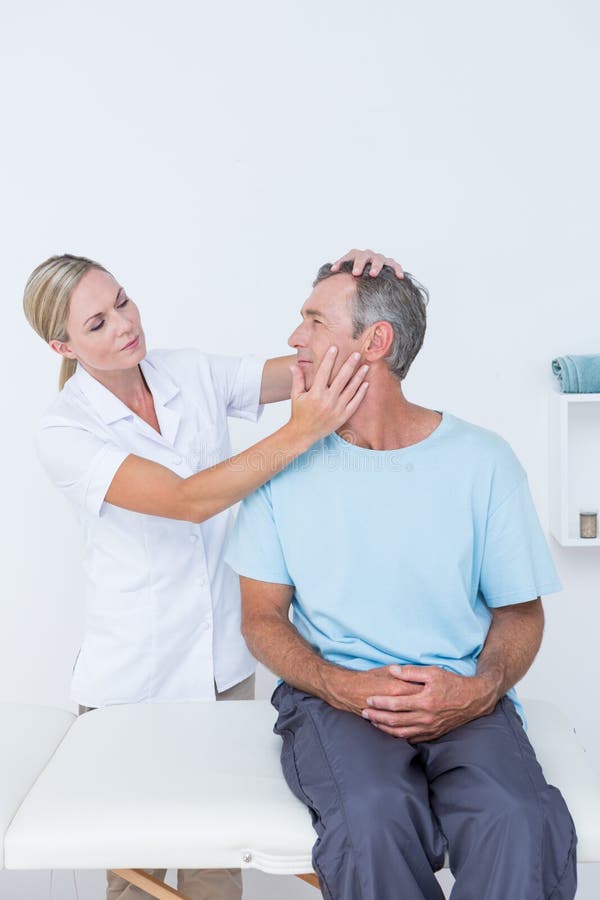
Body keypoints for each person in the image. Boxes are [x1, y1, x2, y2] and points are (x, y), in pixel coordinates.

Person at [23, 247, 401, 900]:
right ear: (63, 347)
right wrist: (300, 433)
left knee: (217, 865)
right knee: (138, 876)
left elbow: (311, 365)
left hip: (222, 667)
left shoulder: (188, 371)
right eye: (97, 323)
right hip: (130, 684)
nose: (125, 323)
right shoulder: (64, 430)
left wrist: (364, 292)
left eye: (122, 301)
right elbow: (186, 500)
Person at [225, 260, 578, 900]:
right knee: (372, 820)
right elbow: (261, 617)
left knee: (520, 820)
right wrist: (337, 683)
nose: (295, 337)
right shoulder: (279, 467)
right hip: (333, 699)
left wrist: (480, 689)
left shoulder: (483, 460)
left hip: (462, 693)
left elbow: (520, 612)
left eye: (314, 320)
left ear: (375, 341)